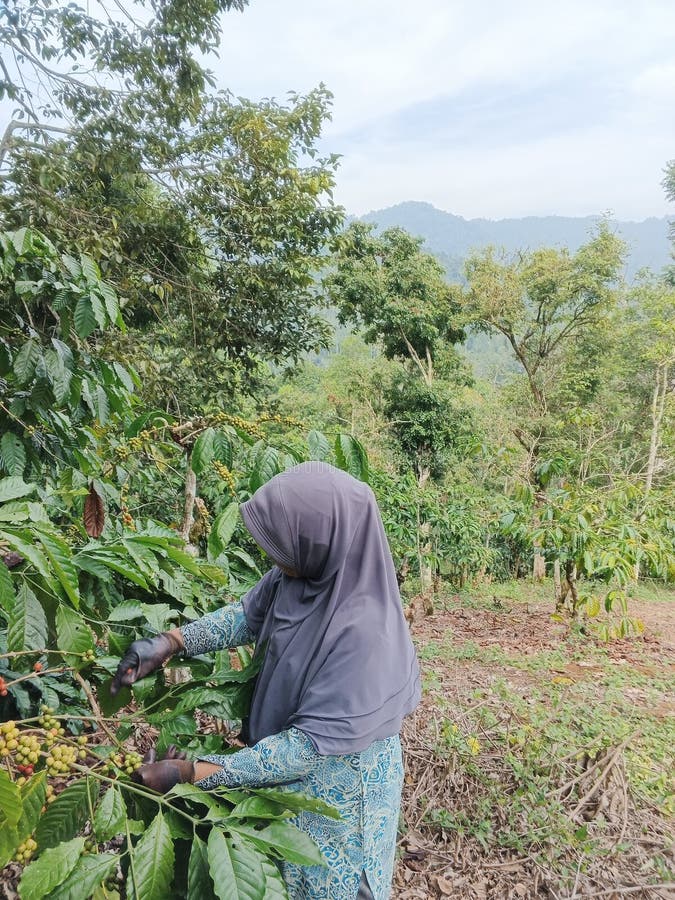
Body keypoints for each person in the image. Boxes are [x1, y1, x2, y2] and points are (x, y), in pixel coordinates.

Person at [111, 462, 420, 900]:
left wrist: (191, 773)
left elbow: (302, 751)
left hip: (342, 798)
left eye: (282, 546)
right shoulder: (301, 575)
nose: (273, 560)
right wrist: (169, 642)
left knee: (326, 884)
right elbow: (245, 615)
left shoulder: (366, 634)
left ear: (321, 539)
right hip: (288, 783)